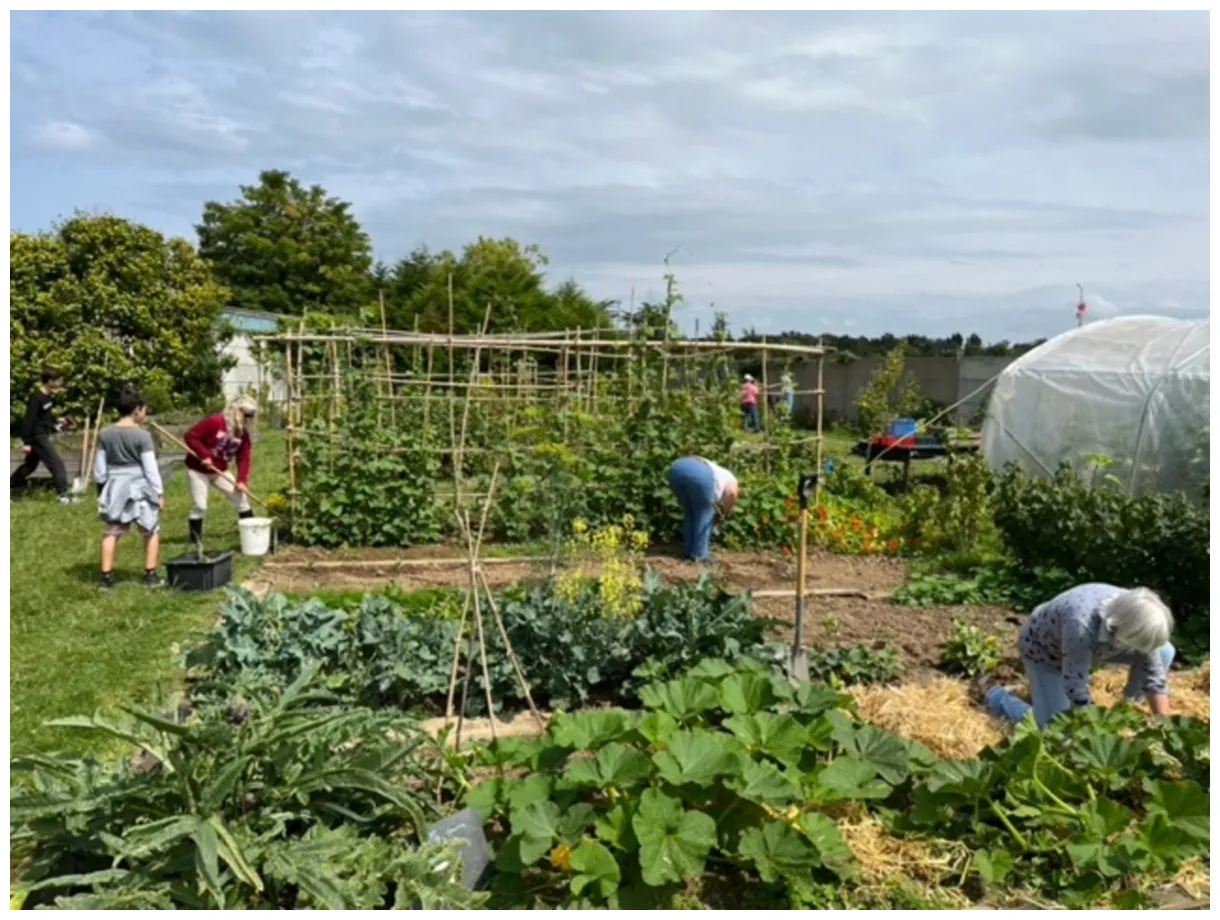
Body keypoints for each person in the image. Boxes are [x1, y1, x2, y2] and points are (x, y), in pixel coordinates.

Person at [981, 584, 1175, 729]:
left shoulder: (1140, 616)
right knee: (1053, 729)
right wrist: (1096, 729)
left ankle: (1127, 708)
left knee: (1164, 651)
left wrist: (1165, 726)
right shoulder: (1080, 625)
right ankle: (997, 697)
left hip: (1100, 644)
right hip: (1045, 652)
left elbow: (1154, 676)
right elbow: (1075, 685)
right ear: (1119, 629)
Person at [95, 390, 165, 590]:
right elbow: (150, 467)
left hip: (115, 483)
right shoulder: (142, 436)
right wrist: (158, 493)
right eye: (144, 410)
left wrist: (102, 488)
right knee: (151, 529)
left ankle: (106, 577)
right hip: (139, 485)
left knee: (112, 530)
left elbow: (100, 467)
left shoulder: (105, 434)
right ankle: (150, 575)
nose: (145, 414)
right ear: (136, 410)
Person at [183, 396, 257, 546]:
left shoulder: (242, 434)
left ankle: (252, 534)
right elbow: (191, 436)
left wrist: (242, 480)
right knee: (200, 505)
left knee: (242, 500)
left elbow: (244, 458)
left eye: (251, 416)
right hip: (198, 470)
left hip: (219, 471)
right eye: (246, 415)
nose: (248, 419)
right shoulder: (215, 422)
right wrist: (205, 456)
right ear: (237, 411)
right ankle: (195, 540)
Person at [11, 369, 77, 504]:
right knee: (56, 463)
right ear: (50, 381)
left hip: (43, 434)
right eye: (58, 381)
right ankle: (63, 495)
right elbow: (29, 420)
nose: (60, 383)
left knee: (30, 466)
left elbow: (44, 417)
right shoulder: (36, 398)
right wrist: (27, 442)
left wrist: (59, 421)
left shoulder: (48, 397)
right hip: (37, 437)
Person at [668, 456, 740, 564]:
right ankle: (700, 555)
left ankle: (689, 552)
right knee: (705, 513)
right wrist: (725, 513)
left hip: (675, 470)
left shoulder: (719, 472)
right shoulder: (732, 479)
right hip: (700, 473)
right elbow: (732, 493)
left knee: (690, 513)